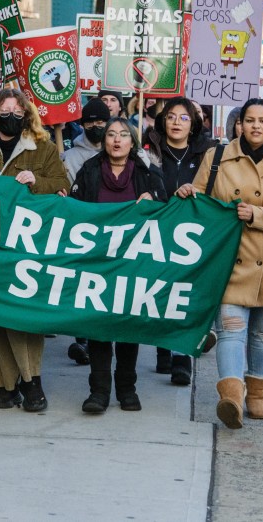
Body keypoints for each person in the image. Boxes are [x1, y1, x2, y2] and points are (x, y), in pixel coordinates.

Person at [0, 87, 68, 412]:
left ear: (27, 116)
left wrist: (37, 181)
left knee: (20, 318)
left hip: (23, 248)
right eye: (5, 112)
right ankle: (3, 387)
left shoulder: (43, 148)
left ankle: (32, 383)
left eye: (19, 114)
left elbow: (62, 185)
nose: (12, 118)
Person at [190, 97, 263, 430]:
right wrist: (185, 194)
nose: (256, 126)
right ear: (239, 124)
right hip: (230, 260)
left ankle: (257, 394)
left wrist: (259, 215)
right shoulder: (217, 156)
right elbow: (202, 201)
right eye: (249, 120)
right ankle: (231, 396)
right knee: (231, 331)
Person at [70, 117, 166, 413]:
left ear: (132, 142)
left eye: (123, 135)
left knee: (127, 328)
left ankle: (127, 389)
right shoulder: (89, 170)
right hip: (98, 262)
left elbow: (166, 208)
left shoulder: (146, 172)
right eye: (111, 134)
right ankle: (98, 392)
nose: (116, 140)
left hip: (133, 264)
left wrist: (154, 199)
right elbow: (75, 212)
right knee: (99, 327)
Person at [144, 96, 219, 385]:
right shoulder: (149, 152)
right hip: (158, 233)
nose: (176, 122)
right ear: (163, 121)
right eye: (171, 117)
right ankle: (164, 348)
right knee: (161, 292)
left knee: (185, 295)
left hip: (193, 237)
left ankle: (181, 356)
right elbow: (146, 184)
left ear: (193, 124)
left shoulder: (207, 155)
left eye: (183, 118)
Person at [59, 97, 112, 366]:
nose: (96, 125)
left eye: (101, 120)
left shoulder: (126, 152)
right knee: (83, 285)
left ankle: (100, 338)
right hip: (82, 231)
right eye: (90, 121)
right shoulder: (69, 157)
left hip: (115, 233)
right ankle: (83, 340)